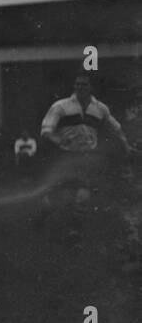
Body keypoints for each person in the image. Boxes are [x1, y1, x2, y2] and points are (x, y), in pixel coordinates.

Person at [38, 73, 136, 241]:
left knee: (82, 195)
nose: (80, 87)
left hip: (87, 157)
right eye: (77, 84)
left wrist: (126, 146)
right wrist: (57, 138)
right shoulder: (61, 106)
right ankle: (46, 216)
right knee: (63, 196)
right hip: (65, 156)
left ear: (91, 87)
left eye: (84, 84)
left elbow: (116, 129)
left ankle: (74, 231)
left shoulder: (100, 109)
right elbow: (46, 130)